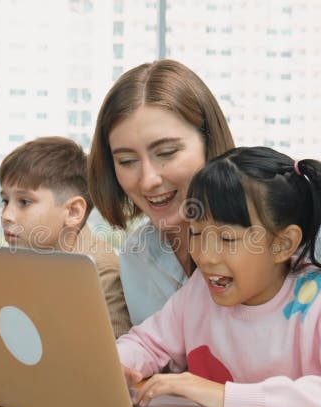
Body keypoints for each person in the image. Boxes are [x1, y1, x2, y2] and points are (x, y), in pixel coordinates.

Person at [117, 146, 321, 407]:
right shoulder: (199, 293)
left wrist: (227, 397)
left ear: (283, 244)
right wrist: (115, 366)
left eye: (227, 239)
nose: (204, 256)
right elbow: (147, 343)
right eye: (196, 234)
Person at [88, 59, 235, 325]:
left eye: (166, 153)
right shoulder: (137, 256)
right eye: (127, 161)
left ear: (208, 143)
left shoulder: (279, 230)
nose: (148, 181)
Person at [0, 137, 132, 337]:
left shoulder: (102, 273)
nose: (6, 215)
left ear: (73, 212)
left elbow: (114, 360)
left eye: (24, 202)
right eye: (5, 200)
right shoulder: (27, 256)